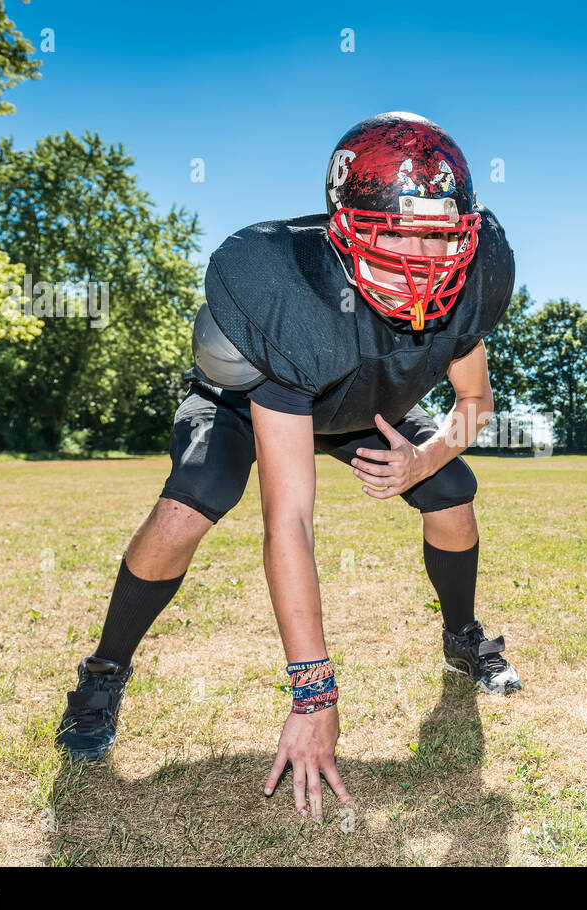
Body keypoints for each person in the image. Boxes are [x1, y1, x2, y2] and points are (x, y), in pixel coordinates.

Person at [54, 112, 520, 819]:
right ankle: (103, 671)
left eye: (438, 234)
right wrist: (314, 691)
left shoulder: (472, 275)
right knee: (192, 501)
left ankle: (463, 638)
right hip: (255, 400)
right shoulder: (289, 293)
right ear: (345, 229)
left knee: (453, 491)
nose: (422, 256)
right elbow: (291, 522)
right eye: (398, 232)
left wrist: (422, 460)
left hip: (366, 406)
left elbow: (475, 400)